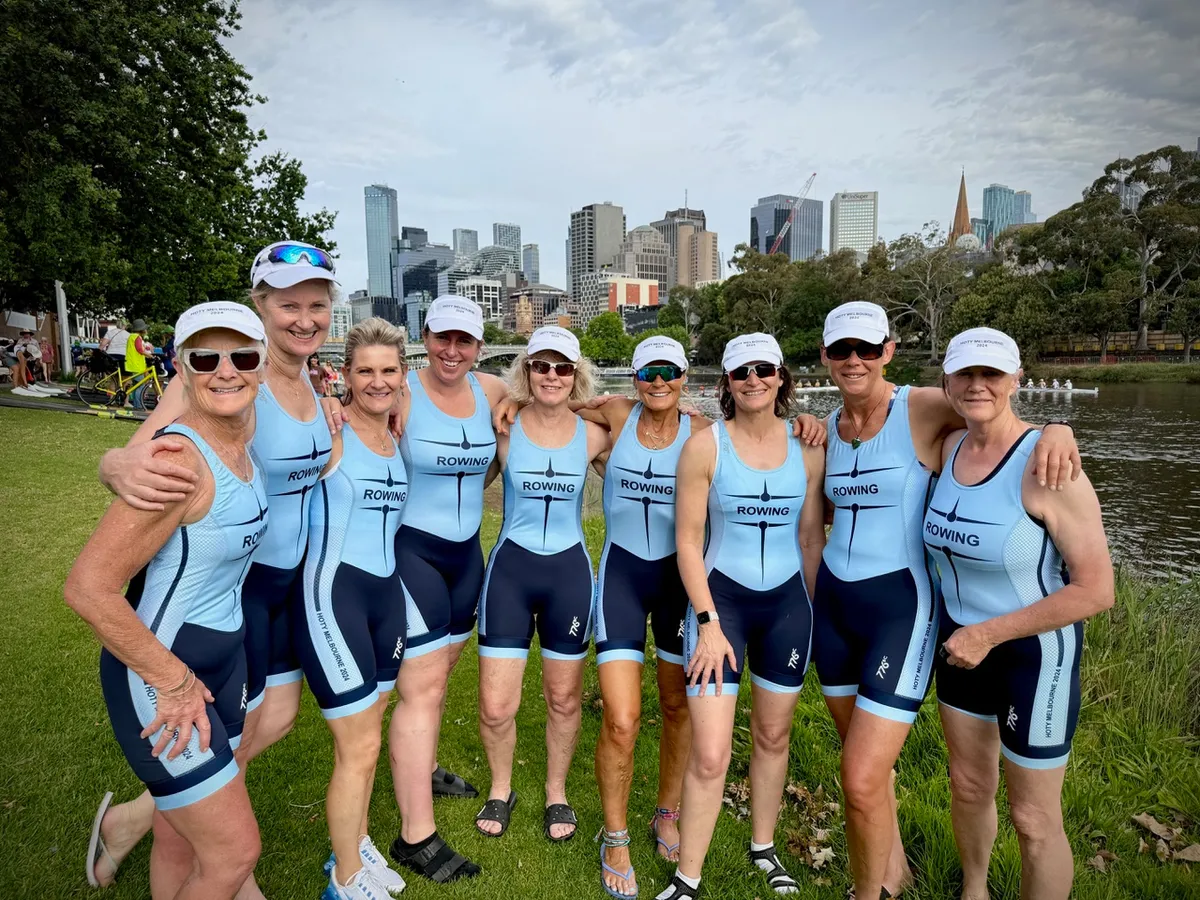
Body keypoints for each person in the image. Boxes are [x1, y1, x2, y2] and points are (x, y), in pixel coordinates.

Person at [91, 241, 342, 893]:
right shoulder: (220, 375)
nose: (305, 319)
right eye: (289, 305)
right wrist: (114, 463)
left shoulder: (312, 380)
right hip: (232, 586)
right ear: (261, 307)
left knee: (274, 721)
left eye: (317, 305)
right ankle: (206, 845)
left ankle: (161, 819)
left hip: (282, 583)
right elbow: (144, 456)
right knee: (233, 737)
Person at [811, 302, 1081, 899]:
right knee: (880, 768)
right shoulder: (824, 425)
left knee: (863, 775)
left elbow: (993, 416)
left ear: (888, 352)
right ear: (825, 357)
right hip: (837, 608)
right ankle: (895, 871)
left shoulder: (923, 407)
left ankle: (871, 890)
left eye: (866, 348)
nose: (854, 359)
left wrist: (1055, 430)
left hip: (902, 608)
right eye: (840, 350)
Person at [68, 302, 269, 899]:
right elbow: (88, 587)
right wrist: (173, 680)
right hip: (161, 674)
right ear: (182, 369)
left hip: (222, 660)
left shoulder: (240, 437)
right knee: (235, 853)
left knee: (182, 836)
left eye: (242, 356)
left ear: (262, 365)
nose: (225, 370)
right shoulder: (180, 460)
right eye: (205, 358)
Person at [925, 328, 1113, 900]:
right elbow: (877, 399)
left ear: (1017, 381)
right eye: (966, 374)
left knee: (1033, 819)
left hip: (1033, 655)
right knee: (968, 785)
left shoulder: (1049, 465)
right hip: (962, 647)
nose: (978, 385)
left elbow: (1096, 589)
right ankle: (974, 890)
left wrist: (990, 633)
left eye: (992, 374)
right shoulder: (948, 445)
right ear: (948, 383)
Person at [657, 333, 826, 900]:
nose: (753, 379)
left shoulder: (809, 447)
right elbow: (687, 542)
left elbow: (808, 539)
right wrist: (706, 622)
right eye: (740, 371)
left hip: (785, 608)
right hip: (719, 607)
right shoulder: (705, 446)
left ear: (782, 377)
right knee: (710, 753)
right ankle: (688, 878)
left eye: (764, 369)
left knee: (773, 736)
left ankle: (763, 847)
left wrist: (810, 612)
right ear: (726, 383)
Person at [387, 295, 511, 883]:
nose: (451, 351)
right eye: (442, 338)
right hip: (413, 550)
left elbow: (567, 399)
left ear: (479, 348)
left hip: (467, 555)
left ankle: (426, 765)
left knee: (442, 672)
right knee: (424, 688)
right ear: (424, 335)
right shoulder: (402, 390)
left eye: (464, 341)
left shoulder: (489, 391)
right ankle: (416, 836)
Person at [473, 326, 608, 847]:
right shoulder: (502, 428)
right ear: (526, 369)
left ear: (576, 376)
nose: (551, 376)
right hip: (510, 573)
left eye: (563, 367)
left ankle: (556, 792)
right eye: (541, 366)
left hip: (568, 576)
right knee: (494, 705)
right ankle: (501, 787)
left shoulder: (593, 435)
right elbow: (461, 472)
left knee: (564, 699)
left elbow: (653, 439)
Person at [583, 336, 706, 898]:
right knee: (622, 718)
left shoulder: (702, 433)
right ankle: (614, 835)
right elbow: (556, 407)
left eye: (670, 372)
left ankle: (667, 811)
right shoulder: (615, 414)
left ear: (685, 376)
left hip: (678, 585)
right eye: (648, 373)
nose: (659, 383)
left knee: (678, 704)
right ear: (634, 378)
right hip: (624, 579)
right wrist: (512, 406)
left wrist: (810, 427)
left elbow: (760, 448)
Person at [300, 319, 411, 899]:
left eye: (388, 370)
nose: (376, 381)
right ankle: (344, 881)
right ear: (345, 374)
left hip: (386, 599)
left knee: (372, 729)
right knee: (359, 743)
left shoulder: (395, 431)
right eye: (364, 371)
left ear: (402, 375)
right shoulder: (329, 428)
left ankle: (359, 843)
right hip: (333, 596)